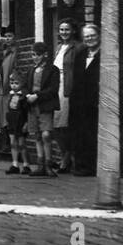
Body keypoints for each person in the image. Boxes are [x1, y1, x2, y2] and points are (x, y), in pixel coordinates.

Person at [52, 20, 83, 173]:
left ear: (73, 31)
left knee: (64, 124)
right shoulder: (58, 47)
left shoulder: (78, 47)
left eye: (67, 30)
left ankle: (67, 157)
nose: (64, 32)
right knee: (55, 124)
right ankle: (64, 154)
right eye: (61, 29)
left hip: (67, 87)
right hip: (55, 86)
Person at [70, 24, 101, 177]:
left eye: (92, 35)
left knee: (92, 134)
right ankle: (81, 165)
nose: (89, 39)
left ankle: (92, 166)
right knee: (80, 134)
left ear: (99, 36)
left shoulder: (104, 54)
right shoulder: (81, 54)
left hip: (96, 102)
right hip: (80, 102)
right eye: (86, 36)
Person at [24, 42, 59, 178]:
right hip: (32, 107)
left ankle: (49, 165)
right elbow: (25, 85)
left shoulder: (52, 70)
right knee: (37, 135)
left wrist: (37, 96)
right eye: (33, 55)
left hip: (45, 105)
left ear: (45, 55)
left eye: (38, 55)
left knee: (46, 134)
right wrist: (27, 94)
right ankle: (40, 165)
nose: (35, 58)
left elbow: (53, 89)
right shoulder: (31, 70)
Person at [0, 28, 18, 157]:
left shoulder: (15, 51)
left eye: (10, 36)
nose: (8, 39)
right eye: (6, 37)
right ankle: (7, 144)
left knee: (9, 115)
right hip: (2, 86)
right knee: (3, 116)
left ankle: (11, 145)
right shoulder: (4, 51)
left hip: (10, 87)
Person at [3, 74, 30, 175]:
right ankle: (15, 164)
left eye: (16, 83)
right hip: (12, 121)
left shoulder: (23, 96)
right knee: (13, 142)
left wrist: (26, 123)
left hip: (20, 121)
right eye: (12, 83)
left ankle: (26, 164)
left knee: (21, 144)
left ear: (21, 84)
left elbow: (26, 111)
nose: (14, 85)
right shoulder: (10, 95)